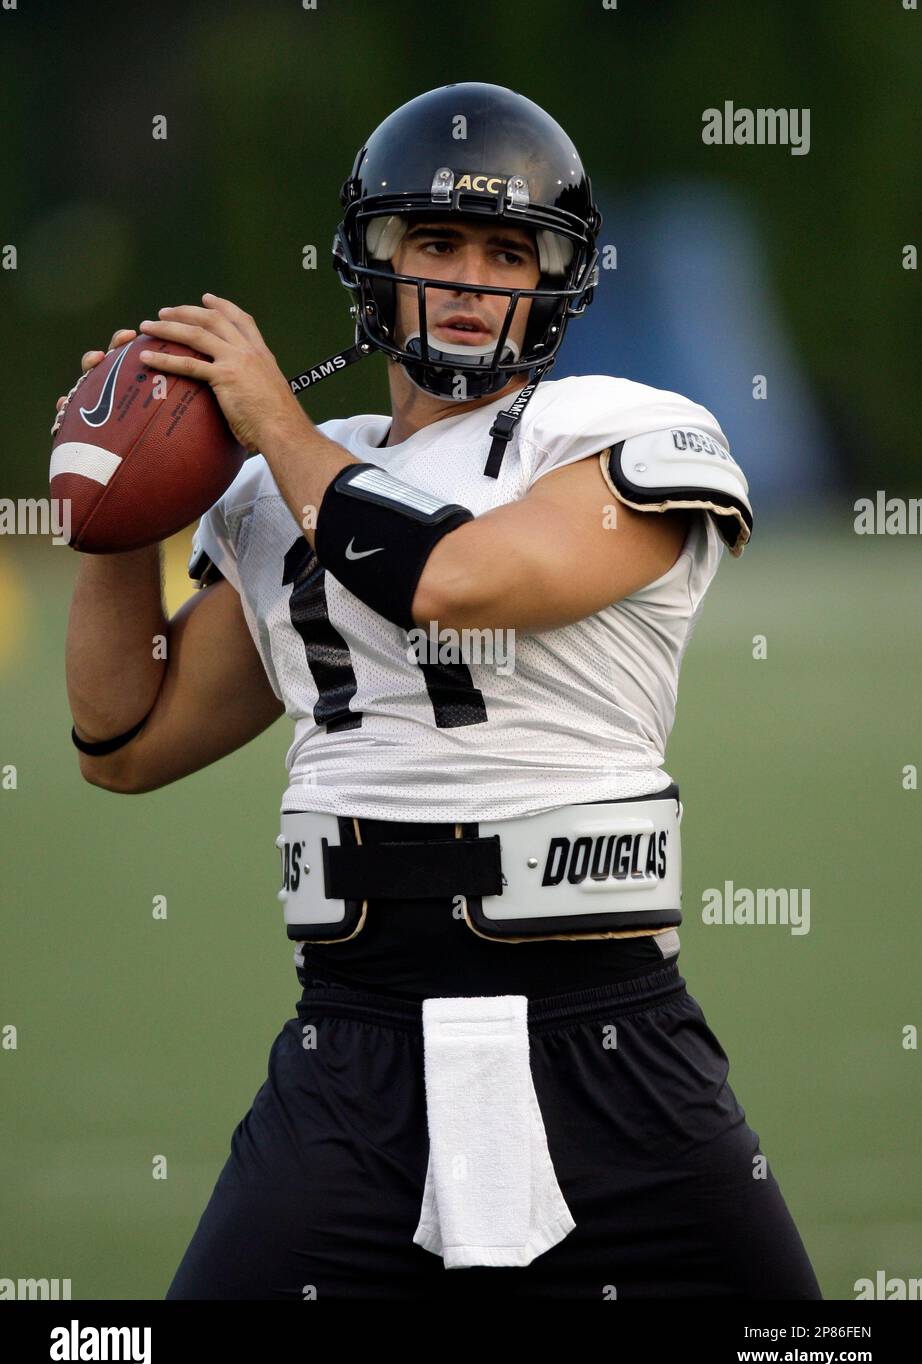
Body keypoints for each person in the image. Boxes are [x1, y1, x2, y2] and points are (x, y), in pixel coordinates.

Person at [59, 82, 821, 1299]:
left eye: (507, 250)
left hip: (612, 1038)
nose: (471, 278)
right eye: (438, 242)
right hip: (354, 1040)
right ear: (377, 263)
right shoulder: (287, 487)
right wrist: (108, 509)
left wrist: (274, 424)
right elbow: (121, 741)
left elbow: (455, 578)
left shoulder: (618, 429)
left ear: (555, 280)